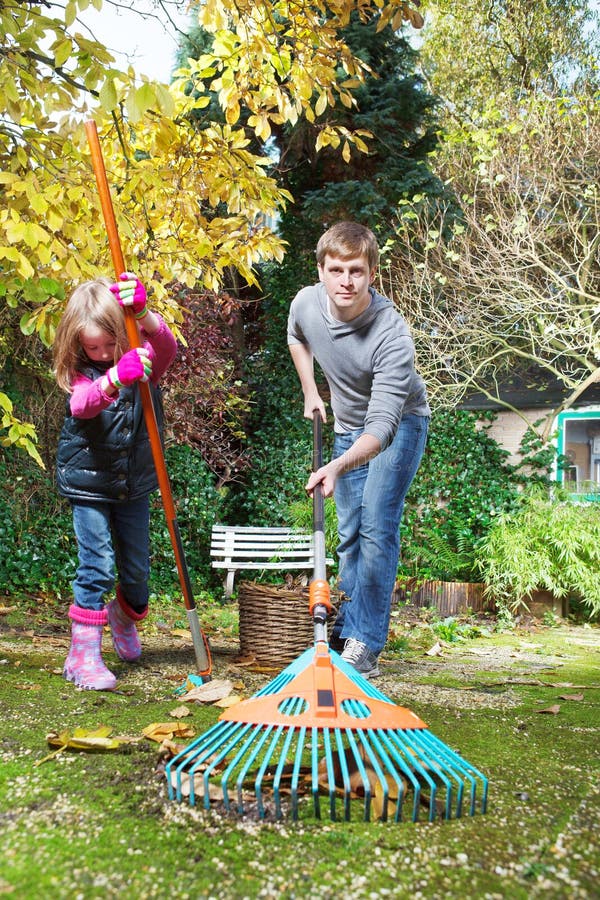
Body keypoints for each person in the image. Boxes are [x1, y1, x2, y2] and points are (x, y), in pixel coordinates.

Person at [287, 222, 430, 678]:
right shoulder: (306, 303)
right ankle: (343, 631)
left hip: (398, 427)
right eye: (336, 270)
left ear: (372, 274)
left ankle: (365, 643)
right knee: (348, 533)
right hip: (348, 428)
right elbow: (296, 336)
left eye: (356, 271)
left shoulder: (391, 333)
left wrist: (336, 465)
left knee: (375, 526)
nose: (345, 281)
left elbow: (383, 426)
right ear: (321, 271)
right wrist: (311, 390)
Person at [53, 273, 177, 691]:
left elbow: (166, 349)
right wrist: (113, 378)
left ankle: (122, 617)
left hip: (132, 485)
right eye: (94, 347)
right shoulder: (82, 372)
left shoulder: (141, 361)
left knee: (137, 576)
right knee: (97, 565)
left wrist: (144, 314)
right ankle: (82, 656)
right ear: (77, 344)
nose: (104, 354)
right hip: (89, 484)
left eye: (111, 344)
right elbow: (82, 405)